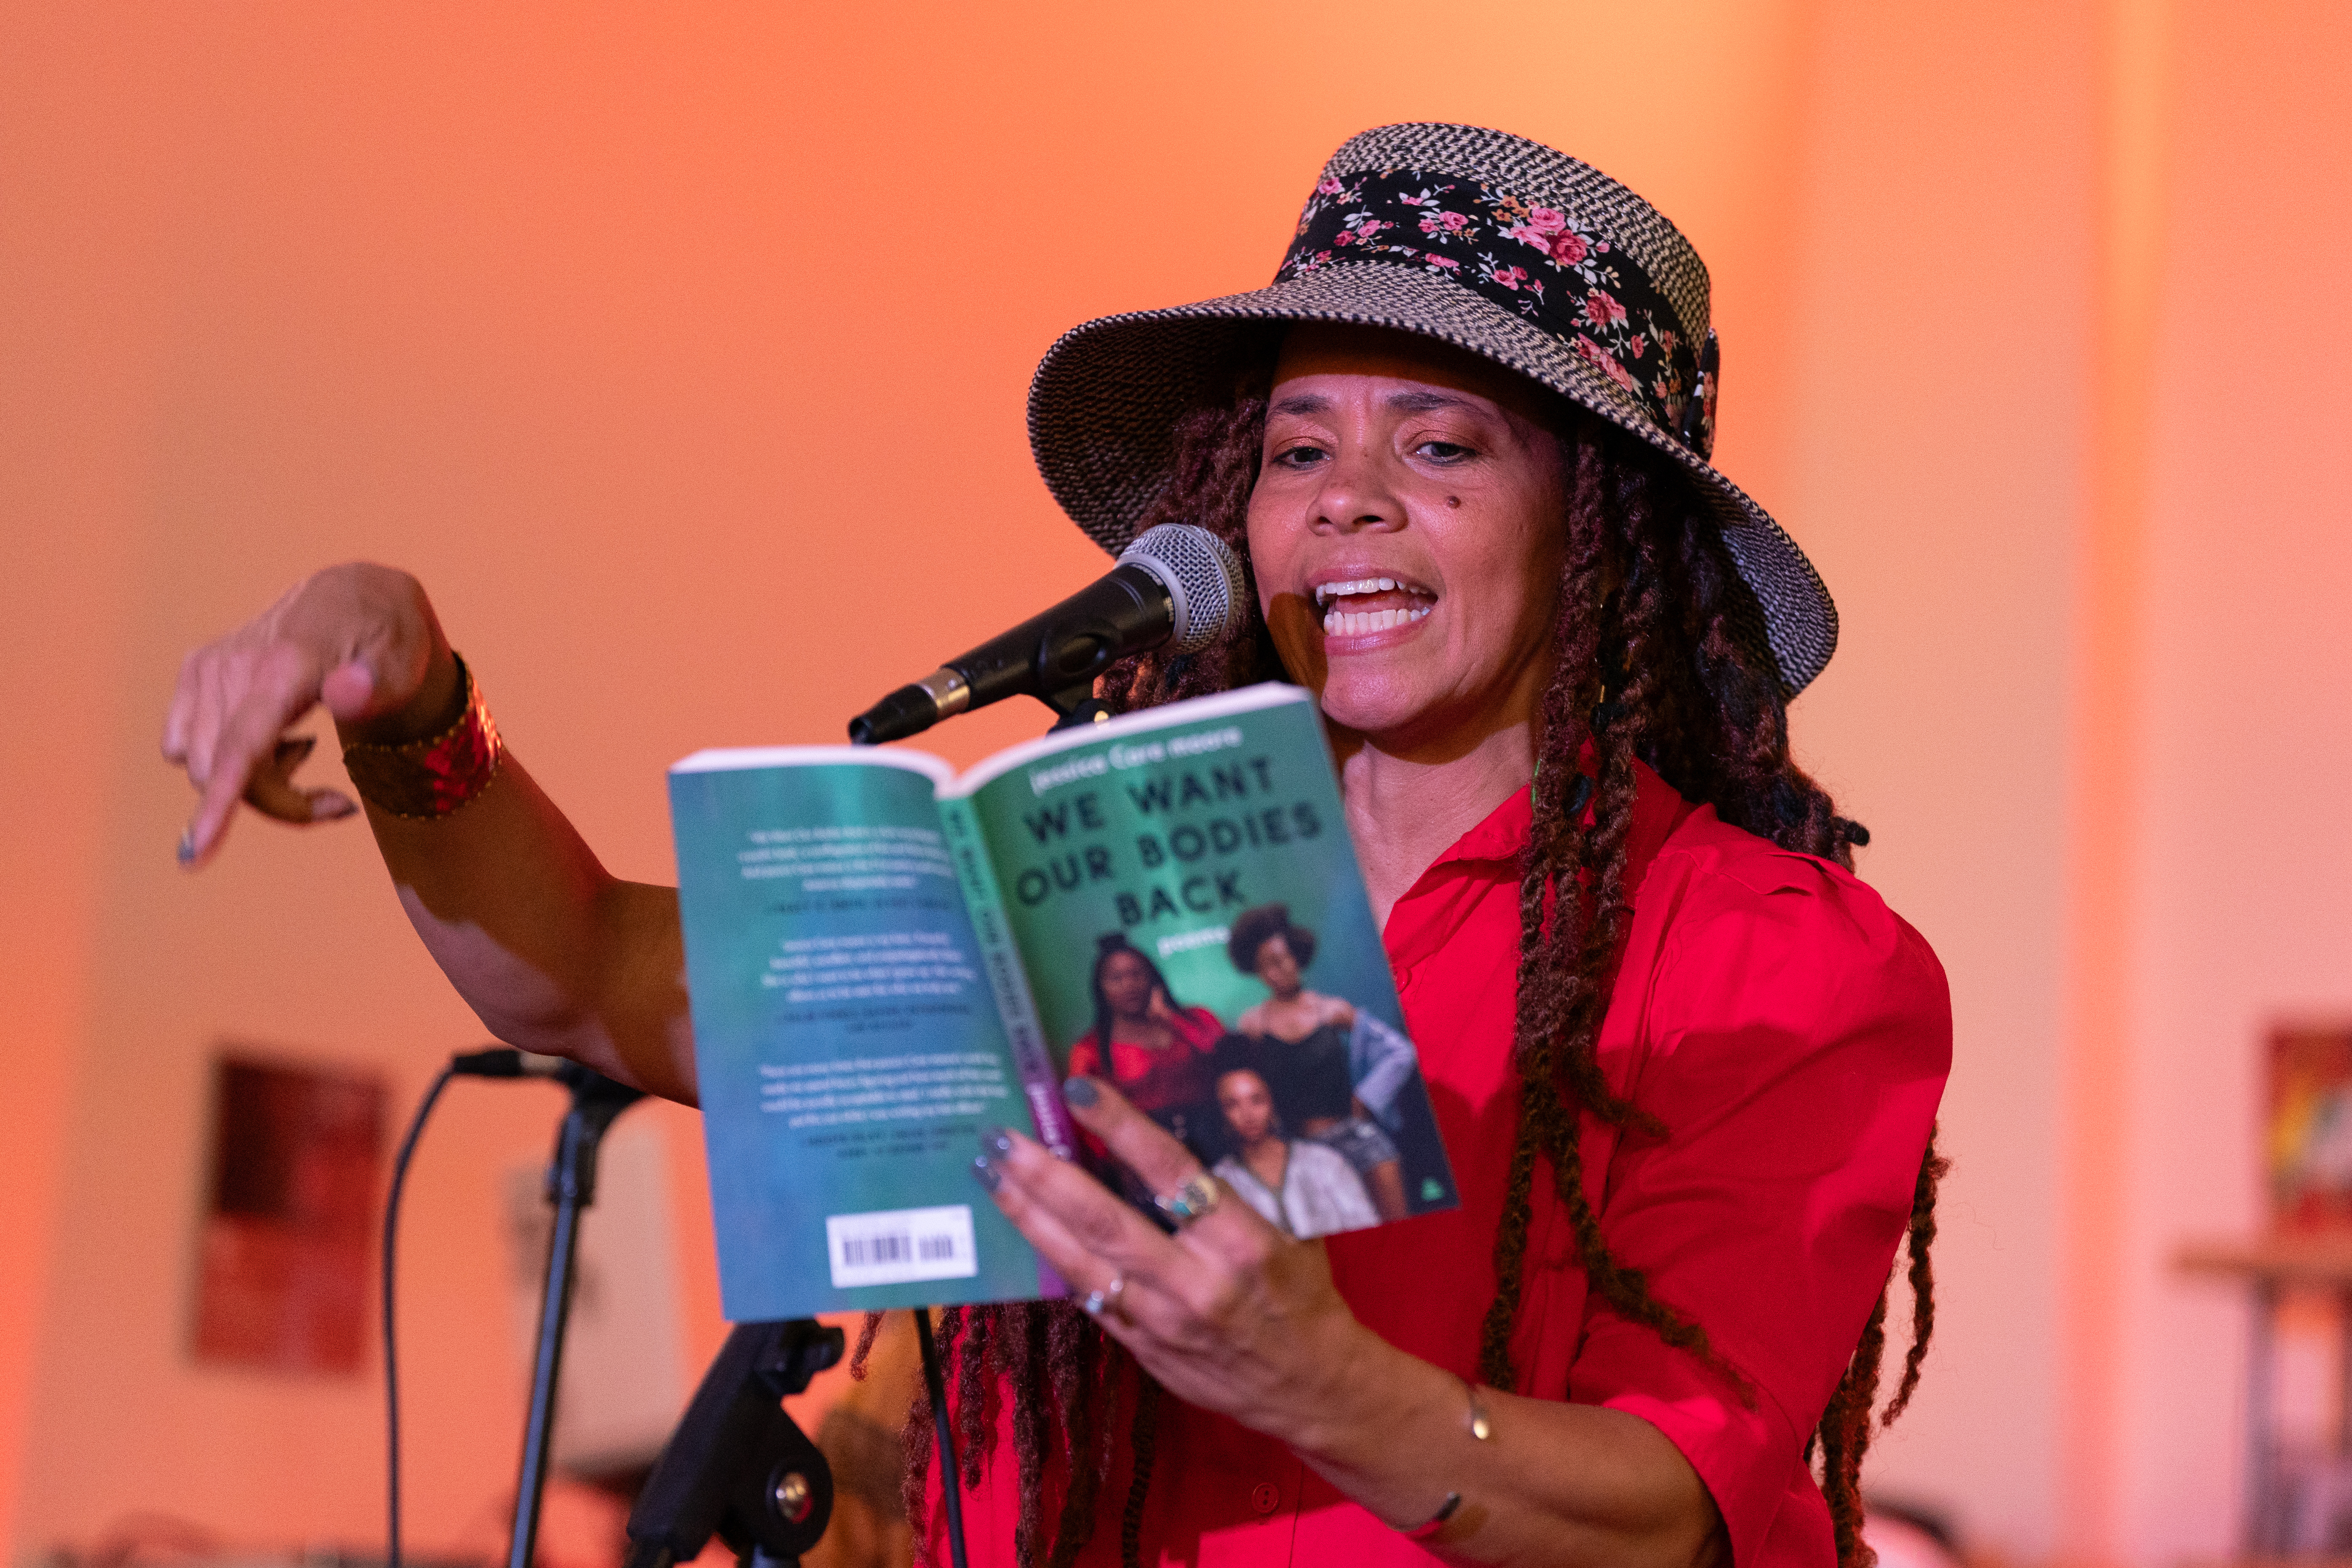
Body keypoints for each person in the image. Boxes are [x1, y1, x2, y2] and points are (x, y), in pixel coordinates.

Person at [165, 121, 1949, 1568]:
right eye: (1299, 444)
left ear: (1601, 527)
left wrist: (1320, 1379)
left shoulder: (1777, 958)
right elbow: (588, 984)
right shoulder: (1105, 875)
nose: (1348, 496)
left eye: (1443, 443)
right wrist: (411, 700)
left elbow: (1667, 1512)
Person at [1225, 903, 1410, 1221]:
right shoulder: (1253, 1025)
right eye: (1267, 964)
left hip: (1358, 1140)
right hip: (1301, 1152)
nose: (1279, 969)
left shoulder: (1332, 1011)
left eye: (1283, 958)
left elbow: (1401, 1052)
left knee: (1402, 1233)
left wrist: (1367, 1096)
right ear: (1256, 971)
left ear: (1297, 956)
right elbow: (1245, 1089)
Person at [1064, 934, 1225, 1145]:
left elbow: (1227, 1061)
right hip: (1147, 1157)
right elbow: (1088, 1124)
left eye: (1137, 974)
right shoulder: (1089, 1051)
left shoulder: (1197, 1018)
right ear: (1101, 989)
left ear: (1153, 977)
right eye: (1116, 979)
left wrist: (1171, 1019)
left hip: (1219, 1145)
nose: (1129, 985)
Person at [1207, 1061, 1380, 1240]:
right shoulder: (1221, 1181)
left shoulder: (1323, 1161)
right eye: (1233, 1105)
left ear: (1272, 1103)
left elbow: (1367, 1228)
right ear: (1221, 1114)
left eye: (1257, 1100)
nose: (1248, 1113)